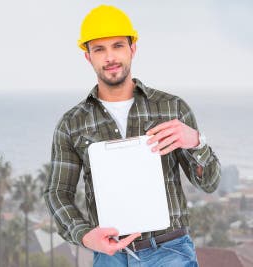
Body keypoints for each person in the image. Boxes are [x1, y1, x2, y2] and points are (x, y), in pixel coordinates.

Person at [42, 4, 221, 266]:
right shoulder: (72, 123)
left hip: (169, 251)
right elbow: (57, 192)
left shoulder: (172, 108)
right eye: (99, 49)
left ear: (132, 48)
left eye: (117, 46)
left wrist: (195, 141)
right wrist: (85, 236)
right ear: (88, 56)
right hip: (110, 256)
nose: (110, 57)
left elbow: (210, 183)